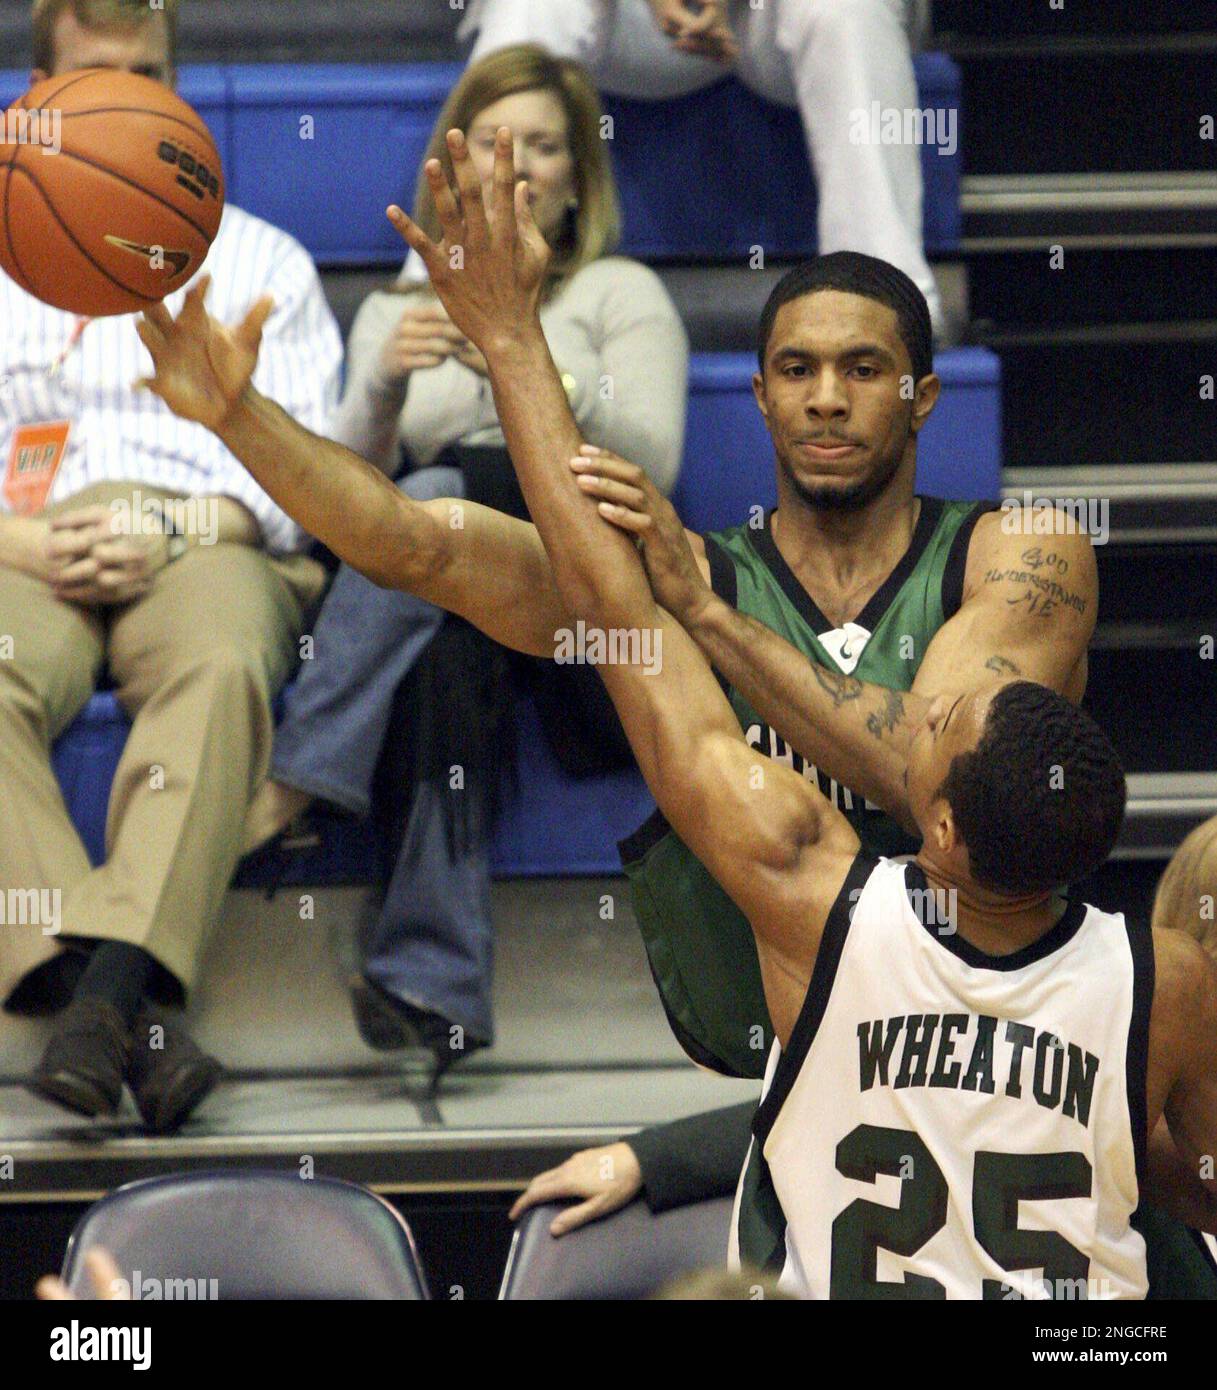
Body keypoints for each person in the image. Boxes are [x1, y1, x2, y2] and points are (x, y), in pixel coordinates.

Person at [128, 181, 1097, 1264]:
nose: (826, 398)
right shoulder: (680, 579)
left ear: (921, 397)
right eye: (795, 370)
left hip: (1021, 1066)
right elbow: (414, 545)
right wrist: (236, 418)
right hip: (806, 1095)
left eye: (862, 370)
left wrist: (707, 619)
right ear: (761, 399)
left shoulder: (1022, 553)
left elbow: (922, 768)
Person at [240, 45, 688, 1081]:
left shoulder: (620, 292)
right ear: (456, 168)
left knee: (437, 500)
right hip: (455, 600)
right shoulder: (401, 309)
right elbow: (340, 498)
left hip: (593, 592)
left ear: (580, 177)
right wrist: (384, 390)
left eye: (544, 146)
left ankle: (298, 777)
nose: (520, 165)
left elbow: (649, 461)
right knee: (441, 645)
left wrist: (519, 347)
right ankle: (433, 985)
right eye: (497, 144)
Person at [0, 0, 342, 1131]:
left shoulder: (259, 257)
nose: (127, 101)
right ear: (34, 102)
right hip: (19, 538)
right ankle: (120, 1014)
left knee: (219, 661)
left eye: (147, 76)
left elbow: (302, 480)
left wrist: (182, 529)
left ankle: (93, 1000)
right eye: (94, 82)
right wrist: (19, 538)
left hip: (202, 531)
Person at [459, 0, 945, 334]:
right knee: (531, 6)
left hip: (768, 18)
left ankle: (885, 305)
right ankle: (458, 286)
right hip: (636, 23)